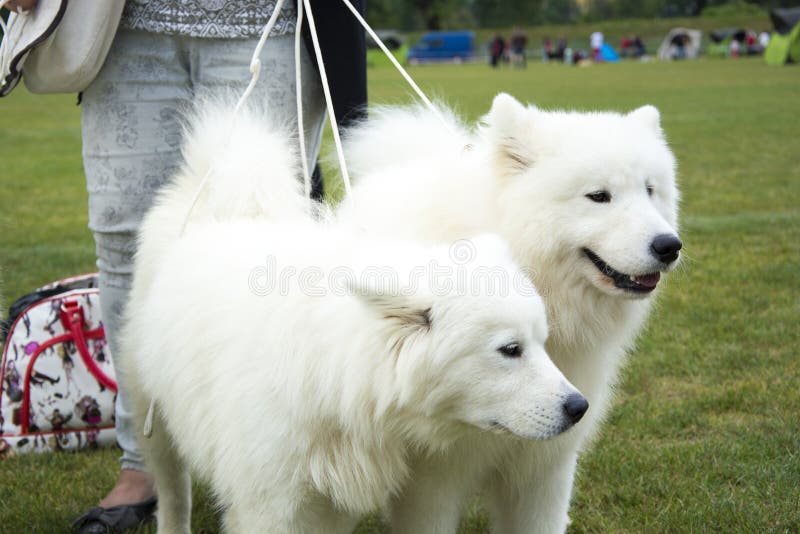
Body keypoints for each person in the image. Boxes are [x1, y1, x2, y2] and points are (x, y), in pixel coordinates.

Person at [5, 1, 366, 532]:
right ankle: (141, 465)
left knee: (269, 246)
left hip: (266, 23)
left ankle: (266, 456)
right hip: (122, 29)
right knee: (126, 248)